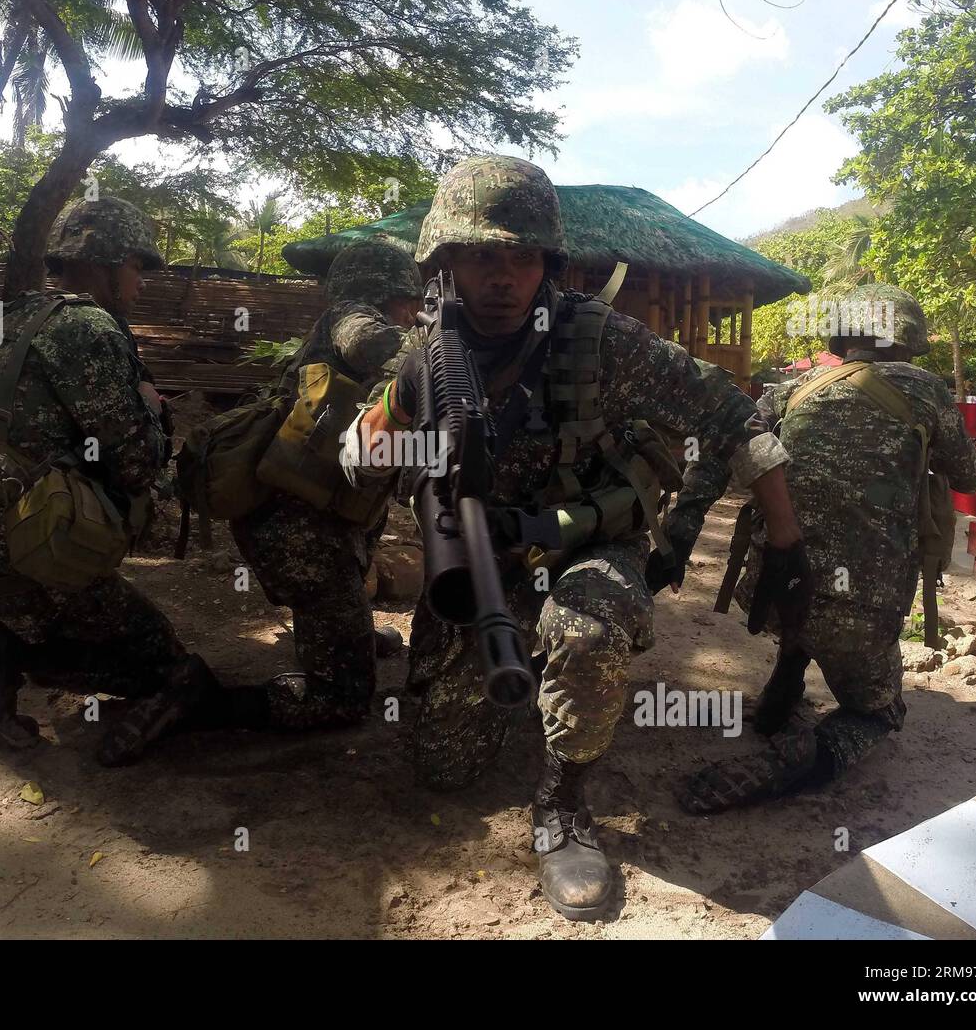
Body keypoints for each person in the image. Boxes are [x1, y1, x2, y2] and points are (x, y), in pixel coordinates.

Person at [341, 155, 810, 921]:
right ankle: (533, 666)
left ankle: (564, 800)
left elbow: (731, 414)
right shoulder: (420, 355)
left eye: (521, 256)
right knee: (443, 765)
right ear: (444, 262)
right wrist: (400, 401)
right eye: (481, 255)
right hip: (479, 566)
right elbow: (358, 466)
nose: (502, 276)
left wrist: (786, 545)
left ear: (548, 264)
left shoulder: (597, 340)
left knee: (587, 633)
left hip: (587, 545)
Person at [671, 283, 976, 813]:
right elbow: (970, 479)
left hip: (769, 594)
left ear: (842, 336)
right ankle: (801, 758)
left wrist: (681, 527)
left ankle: (781, 695)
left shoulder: (793, 388)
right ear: (908, 338)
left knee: (809, 596)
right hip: (863, 609)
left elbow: (726, 441)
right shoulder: (927, 392)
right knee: (879, 714)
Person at [0, 196, 214, 766]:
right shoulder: (90, 329)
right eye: (137, 268)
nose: (141, 284)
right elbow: (137, 463)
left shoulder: (14, 316)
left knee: (67, 633)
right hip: (44, 551)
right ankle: (12, 654)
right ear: (105, 262)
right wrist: (157, 417)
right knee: (172, 665)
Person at [222, 238, 425, 730]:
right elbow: (369, 340)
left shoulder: (338, 330)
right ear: (388, 295)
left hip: (318, 520)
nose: (414, 310)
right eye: (409, 301)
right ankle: (198, 700)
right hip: (294, 533)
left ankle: (346, 627)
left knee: (349, 573)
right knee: (342, 699)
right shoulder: (352, 317)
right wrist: (429, 348)